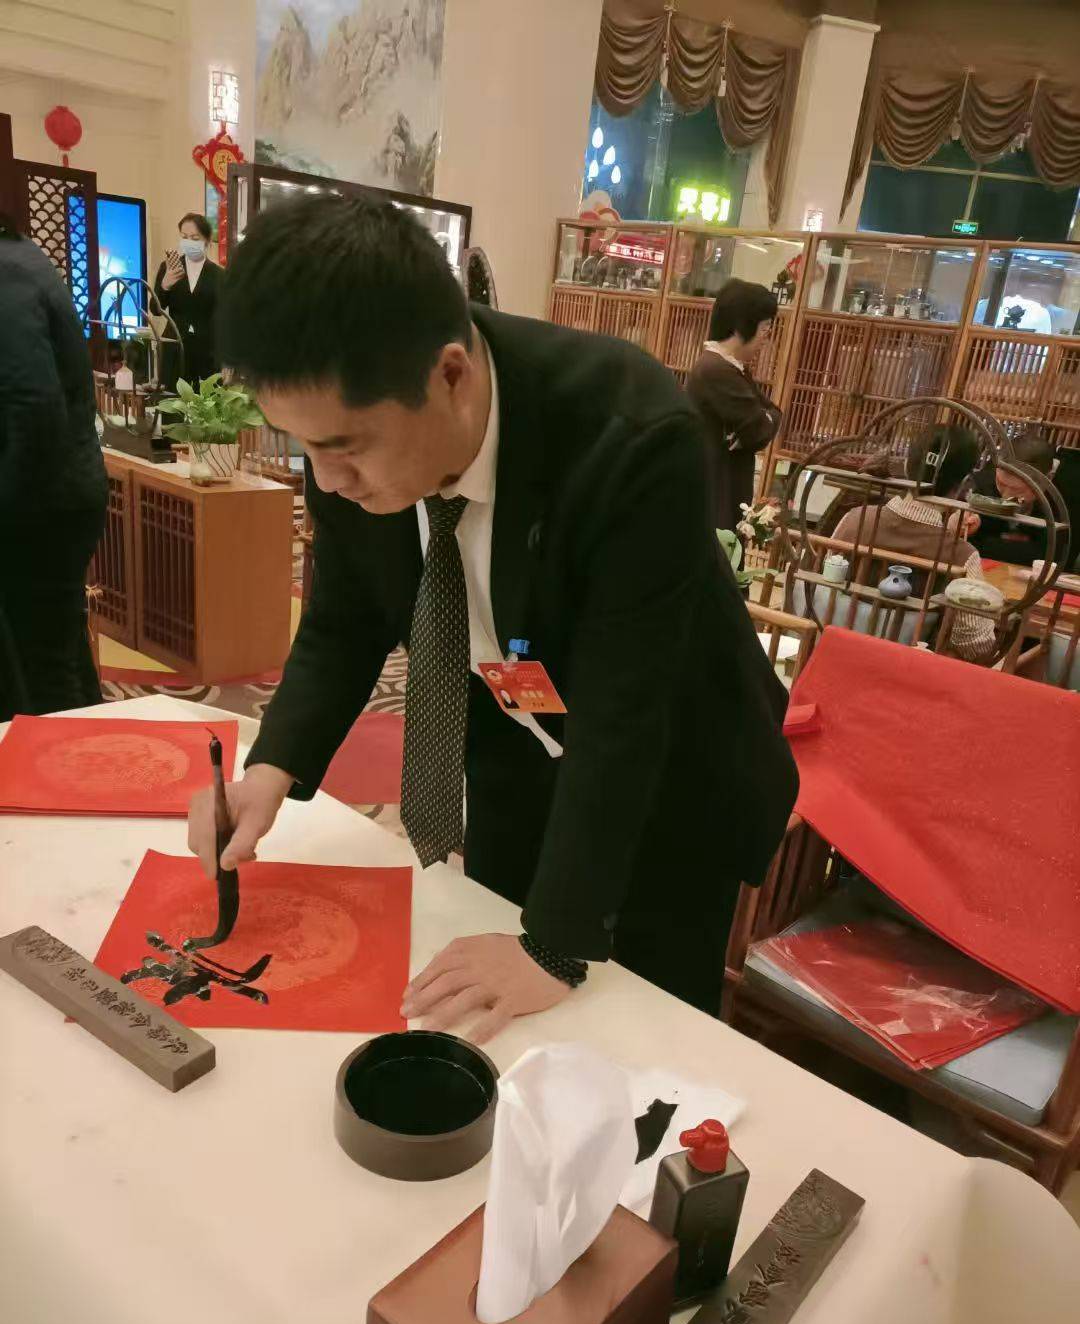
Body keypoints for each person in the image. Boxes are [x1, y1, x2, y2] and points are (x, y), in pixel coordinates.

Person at [186, 195, 797, 1039]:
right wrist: (271, 769)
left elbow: (626, 714)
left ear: (450, 376)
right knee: (491, 1015)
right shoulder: (352, 432)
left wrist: (555, 946)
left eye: (342, 448)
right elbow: (345, 618)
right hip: (514, 741)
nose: (324, 481)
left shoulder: (631, 434)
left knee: (636, 1037)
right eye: (302, 446)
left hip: (672, 778)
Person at [0, 210, 107, 719]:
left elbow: (34, 410)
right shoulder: (18, 256)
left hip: (40, 502)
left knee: (43, 662)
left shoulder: (6, 272)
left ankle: (69, 760)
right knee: (58, 649)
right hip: (53, 492)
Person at [830, 425, 996, 660]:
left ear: (908, 465)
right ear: (964, 482)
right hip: (908, 673)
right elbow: (976, 644)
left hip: (836, 655)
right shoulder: (961, 555)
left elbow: (816, 587)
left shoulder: (855, 520)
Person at [686, 279, 782, 531]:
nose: (765, 339)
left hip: (722, 486)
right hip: (716, 490)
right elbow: (759, 429)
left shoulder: (730, 367)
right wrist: (763, 420)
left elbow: (773, 413)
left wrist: (764, 419)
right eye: (764, 329)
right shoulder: (716, 370)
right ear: (742, 327)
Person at [152, 213, 221, 385]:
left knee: (206, 399)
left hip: (207, 352)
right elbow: (155, 309)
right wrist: (165, 286)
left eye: (195, 238)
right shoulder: (168, 267)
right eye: (184, 237)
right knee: (171, 398)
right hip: (174, 347)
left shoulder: (219, 275)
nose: (189, 242)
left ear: (207, 241)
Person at [970, 433, 1055, 568]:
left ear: (1047, 479)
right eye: (1001, 484)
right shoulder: (979, 485)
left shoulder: (1060, 503)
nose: (1006, 497)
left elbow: (1051, 557)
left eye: (1017, 490)